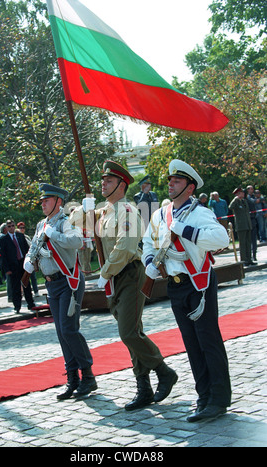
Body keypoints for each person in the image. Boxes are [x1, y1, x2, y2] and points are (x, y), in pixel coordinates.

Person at [70, 161, 178, 411]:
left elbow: (126, 247)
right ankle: (144, 387)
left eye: (108, 181)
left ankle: (164, 371)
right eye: (102, 180)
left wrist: (105, 273)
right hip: (116, 278)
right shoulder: (104, 211)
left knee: (128, 332)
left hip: (130, 274)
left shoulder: (126, 211)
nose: (102, 184)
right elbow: (77, 222)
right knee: (132, 334)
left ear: (121, 185)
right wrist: (83, 209)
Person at [143, 160, 231, 422]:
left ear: (190, 188)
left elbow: (220, 239)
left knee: (209, 341)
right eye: (170, 180)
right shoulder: (160, 214)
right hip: (175, 285)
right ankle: (203, 396)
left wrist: (184, 230)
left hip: (198, 282)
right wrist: (149, 262)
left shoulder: (198, 213)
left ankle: (218, 399)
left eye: (177, 181)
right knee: (191, 345)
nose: (171, 184)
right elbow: (148, 241)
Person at [24, 184, 97, 400]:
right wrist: (29, 261)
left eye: (47, 200)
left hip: (68, 281)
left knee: (69, 330)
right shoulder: (40, 225)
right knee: (61, 332)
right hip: (51, 284)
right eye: (42, 200)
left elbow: (76, 243)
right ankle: (73, 378)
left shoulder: (65, 223)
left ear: (58, 202)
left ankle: (89, 375)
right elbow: (33, 248)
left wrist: (54, 234)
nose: (43, 203)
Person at [0, 219, 35, 313]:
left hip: (23, 264)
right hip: (13, 266)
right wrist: (6, 269)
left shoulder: (20, 236)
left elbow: (27, 250)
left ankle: (30, 304)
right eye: (9, 226)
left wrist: (29, 262)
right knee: (15, 287)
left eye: (12, 225)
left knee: (26, 284)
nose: (11, 227)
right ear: (6, 228)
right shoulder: (3, 239)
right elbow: (3, 256)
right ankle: (17, 306)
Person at [229, 188, 254, 266]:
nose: (243, 194)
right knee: (242, 244)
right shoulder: (236, 202)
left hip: (247, 225)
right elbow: (230, 207)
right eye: (241, 193)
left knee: (248, 243)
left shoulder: (244, 201)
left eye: (243, 193)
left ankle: (249, 259)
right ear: (237, 194)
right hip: (241, 226)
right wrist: (235, 198)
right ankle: (244, 260)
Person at [17, 222, 39, 296]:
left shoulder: (27, 237)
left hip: (31, 258)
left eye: (23, 228)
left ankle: (36, 291)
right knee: (24, 277)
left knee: (33, 277)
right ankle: (24, 292)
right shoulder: (18, 238)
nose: (22, 229)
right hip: (23, 260)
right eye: (20, 228)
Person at [246, 186, 258, 262]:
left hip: (254, 219)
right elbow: (253, 202)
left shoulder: (253, 196)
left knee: (254, 239)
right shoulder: (247, 198)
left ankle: (254, 255)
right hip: (248, 220)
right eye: (250, 189)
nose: (252, 190)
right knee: (249, 240)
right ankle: (249, 256)